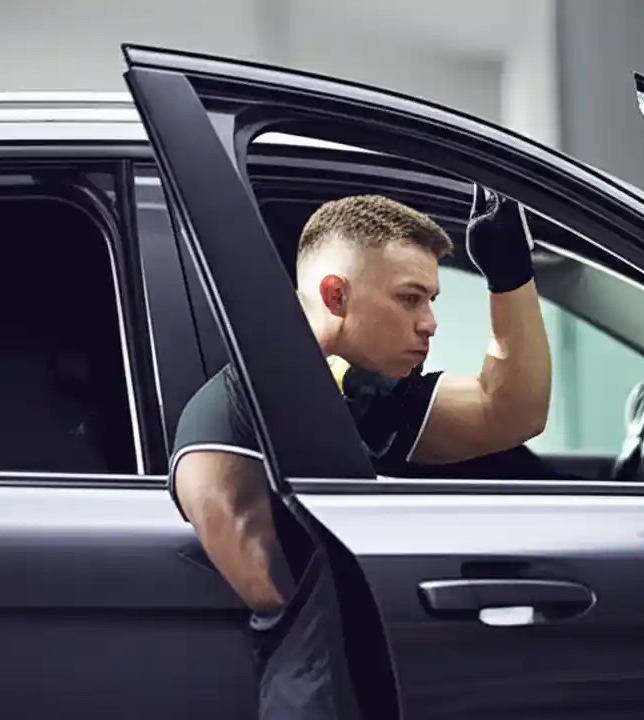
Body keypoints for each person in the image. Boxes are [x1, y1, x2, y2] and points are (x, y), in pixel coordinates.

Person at [166, 185, 552, 718]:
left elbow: (509, 411)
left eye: (431, 301)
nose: (430, 323)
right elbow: (285, 603)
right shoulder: (232, 414)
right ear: (336, 295)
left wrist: (510, 274)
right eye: (410, 298)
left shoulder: (355, 394)